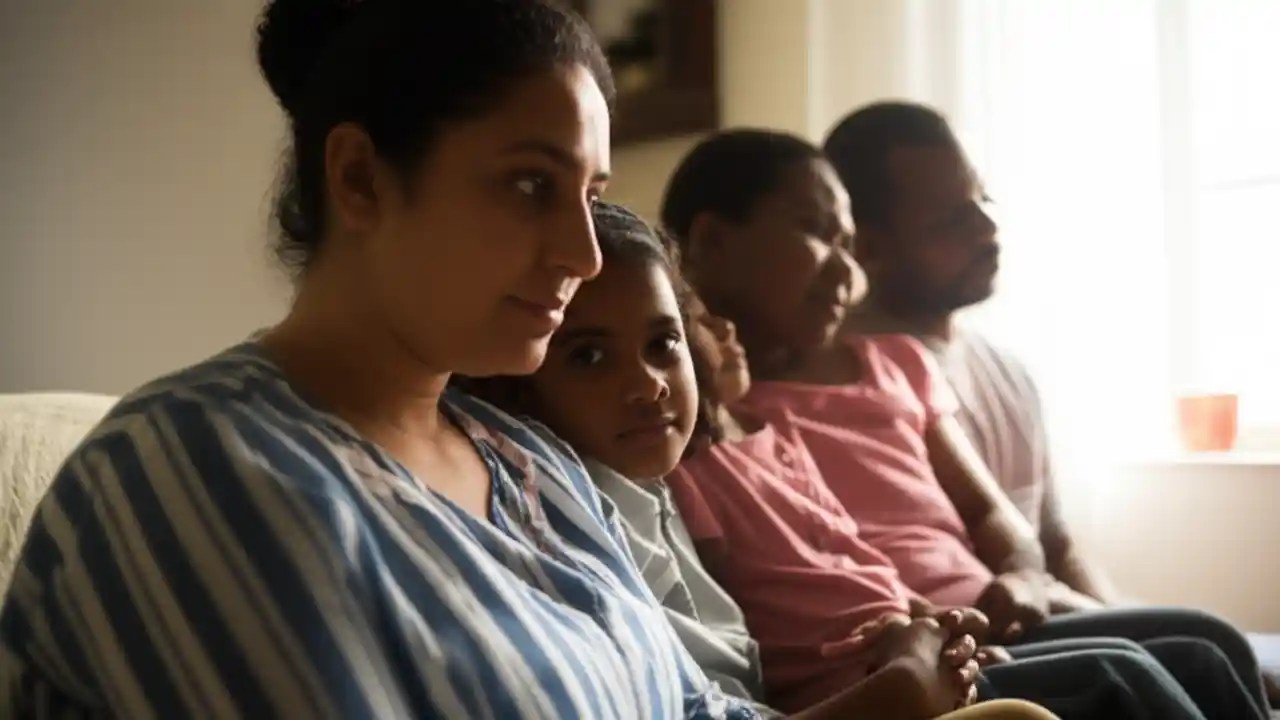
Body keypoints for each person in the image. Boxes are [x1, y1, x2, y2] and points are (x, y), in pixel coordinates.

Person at [0, 2, 760, 718]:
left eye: (589, 196)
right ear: (360, 178)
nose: (585, 255)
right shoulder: (189, 467)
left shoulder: (538, 466)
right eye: (532, 185)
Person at [659, 128, 1269, 720]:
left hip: (968, 621)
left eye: (849, 243)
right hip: (900, 656)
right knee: (1128, 672)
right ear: (711, 241)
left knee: (1207, 644)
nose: (846, 269)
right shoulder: (709, 431)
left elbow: (969, 523)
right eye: (817, 232)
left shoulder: (839, 396)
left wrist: (1023, 579)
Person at [822, 100, 1280, 706]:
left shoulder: (1007, 369)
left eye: (985, 201)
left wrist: (1134, 623)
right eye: (954, 220)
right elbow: (964, 583)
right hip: (988, 637)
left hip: (1061, 615)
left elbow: (1055, 543)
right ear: (869, 247)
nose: (988, 228)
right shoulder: (856, 390)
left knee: (1216, 647)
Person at [460, 201, 990, 719]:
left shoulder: (654, 492)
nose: (649, 384)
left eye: (663, 343)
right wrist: (903, 683)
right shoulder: (571, 527)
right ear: (517, 387)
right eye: (589, 356)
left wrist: (913, 640)